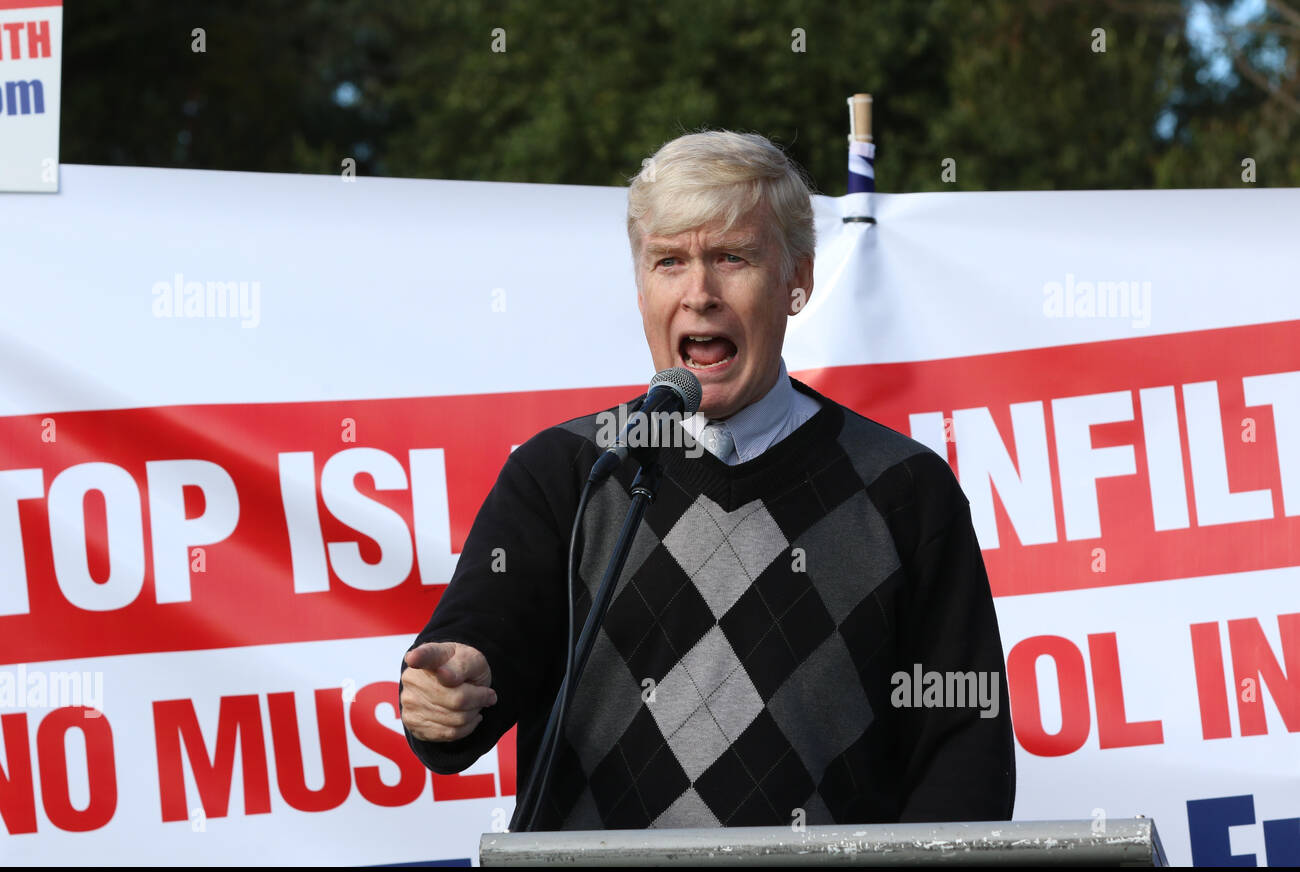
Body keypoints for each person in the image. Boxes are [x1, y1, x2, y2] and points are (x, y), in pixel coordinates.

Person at [399, 130, 1015, 830]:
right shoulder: (566, 473)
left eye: (733, 258)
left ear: (797, 281)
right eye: (670, 261)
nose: (700, 294)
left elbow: (962, 756)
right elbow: (469, 669)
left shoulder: (907, 490)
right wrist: (443, 696)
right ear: (641, 291)